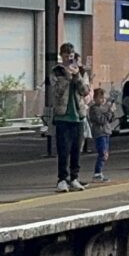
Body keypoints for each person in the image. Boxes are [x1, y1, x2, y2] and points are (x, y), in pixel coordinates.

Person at [50, 44, 90, 192]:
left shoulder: (81, 71)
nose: (68, 58)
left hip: (78, 116)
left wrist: (77, 76)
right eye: (66, 55)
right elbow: (56, 92)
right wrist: (67, 77)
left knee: (76, 150)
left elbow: (85, 91)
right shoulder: (56, 71)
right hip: (62, 117)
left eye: (71, 55)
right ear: (61, 56)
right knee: (63, 150)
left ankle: (74, 178)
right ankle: (62, 179)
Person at [85, 84, 120, 182]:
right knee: (102, 153)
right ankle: (97, 173)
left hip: (106, 132)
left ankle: (99, 172)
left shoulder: (103, 108)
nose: (102, 100)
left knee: (105, 154)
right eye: (100, 98)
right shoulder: (94, 109)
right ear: (95, 98)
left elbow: (110, 119)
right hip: (99, 133)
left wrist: (111, 112)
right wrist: (109, 112)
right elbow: (102, 120)